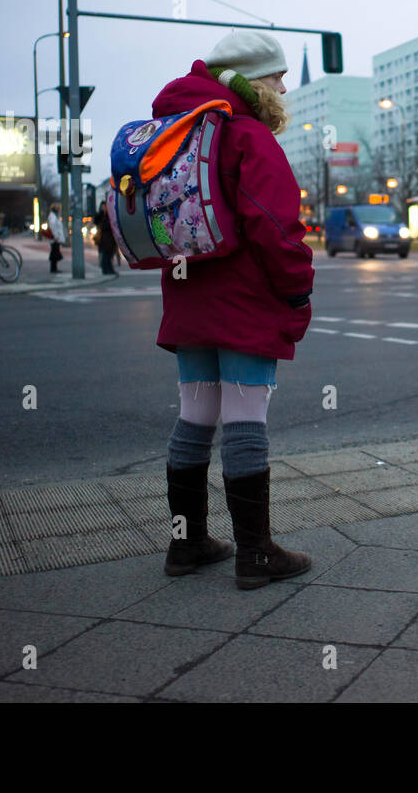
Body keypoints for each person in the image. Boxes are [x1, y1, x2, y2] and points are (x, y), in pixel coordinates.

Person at [153, 32, 315, 590]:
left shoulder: (179, 130)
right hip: (243, 300)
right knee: (246, 418)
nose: (284, 86)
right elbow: (277, 228)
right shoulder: (247, 136)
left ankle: (187, 542)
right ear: (250, 81)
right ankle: (256, 553)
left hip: (187, 294)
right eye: (276, 77)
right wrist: (298, 291)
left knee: (194, 417)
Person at [94, 203, 118, 275]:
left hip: (110, 239)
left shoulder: (110, 215)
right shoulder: (101, 216)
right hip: (104, 239)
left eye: (105, 206)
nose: (104, 208)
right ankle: (107, 270)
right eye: (102, 207)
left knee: (108, 255)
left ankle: (108, 269)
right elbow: (99, 223)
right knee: (106, 255)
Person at [47, 203, 64, 273]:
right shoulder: (53, 217)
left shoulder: (54, 216)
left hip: (55, 238)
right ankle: (53, 269)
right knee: (55, 253)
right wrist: (56, 237)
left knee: (55, 253)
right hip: (55, 238)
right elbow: (53, 227)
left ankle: (54, 268)